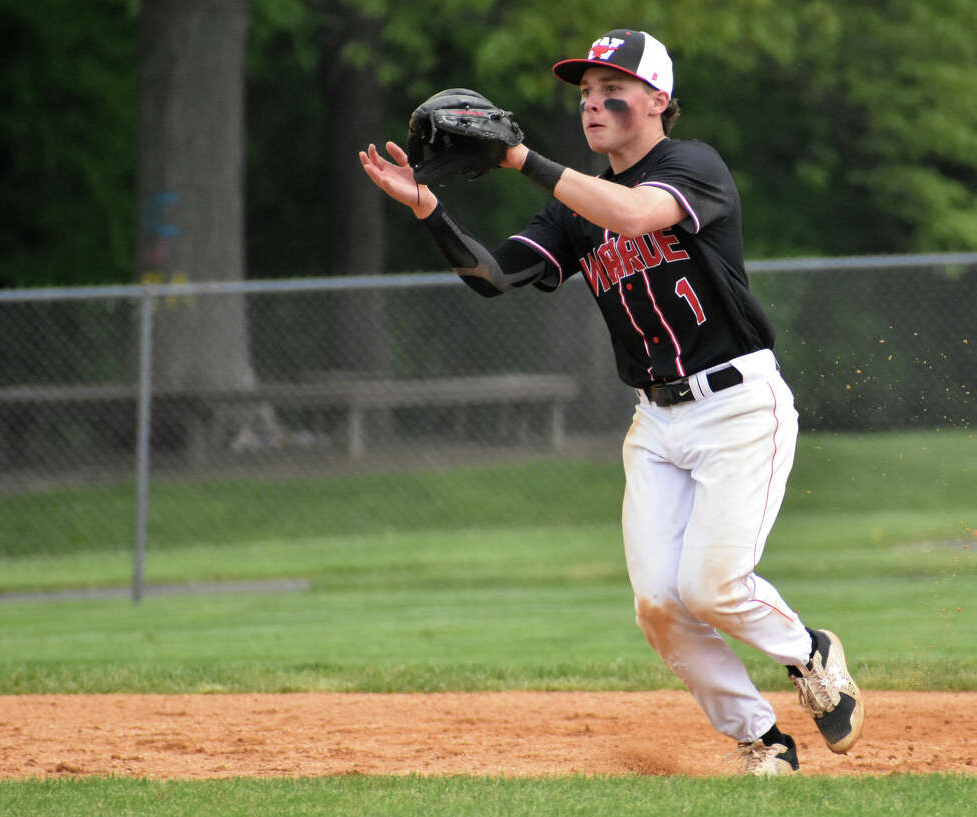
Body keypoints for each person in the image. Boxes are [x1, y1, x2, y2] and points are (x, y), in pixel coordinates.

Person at [359, 28, 863, 775]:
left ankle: (809, 652)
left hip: (737, 406)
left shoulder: (693, 167)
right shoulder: (572, 211)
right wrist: (428, 208)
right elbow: (494, 276)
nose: (592, 104)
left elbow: (631, 215)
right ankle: (763, 740)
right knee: (658, 603)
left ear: (658, 99)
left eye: (611, 90)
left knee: (712, 587)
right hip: (655, 421)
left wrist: (519, 159)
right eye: (586, 93)